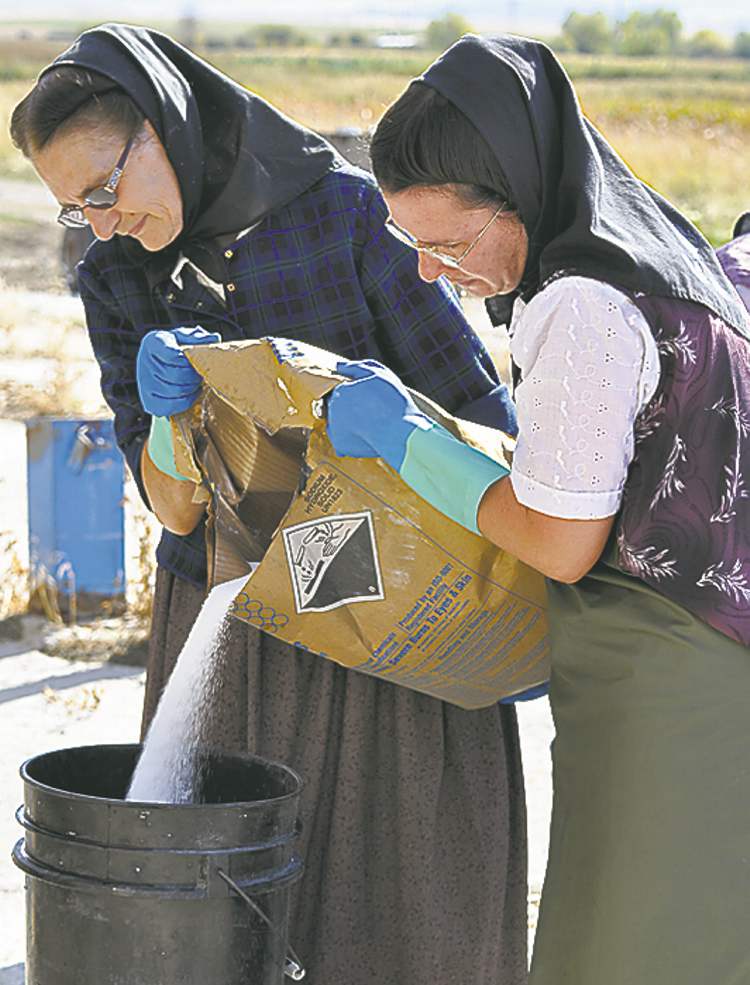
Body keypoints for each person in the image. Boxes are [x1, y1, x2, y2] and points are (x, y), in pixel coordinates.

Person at [10, 24, 529, 985]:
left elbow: (484, 424)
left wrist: (392, 419)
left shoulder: (345, 217)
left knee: (389, 904)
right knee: (219, 918)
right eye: (72, 208)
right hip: (232, 625)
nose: (99, 220)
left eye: (103, 189)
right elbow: (170, 509)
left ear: (165, 126)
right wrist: (169, 421)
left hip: (386, 627)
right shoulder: (115, 273)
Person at [324, 34, 750, 985]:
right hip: (719, 645)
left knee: (624, 945)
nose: (433, 275)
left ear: (517, 192)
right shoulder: (668, 256)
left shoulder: (581, 305)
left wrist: (412, 444)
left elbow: (559, 540)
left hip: (673, 675)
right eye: (412, 248)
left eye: (448, 245)